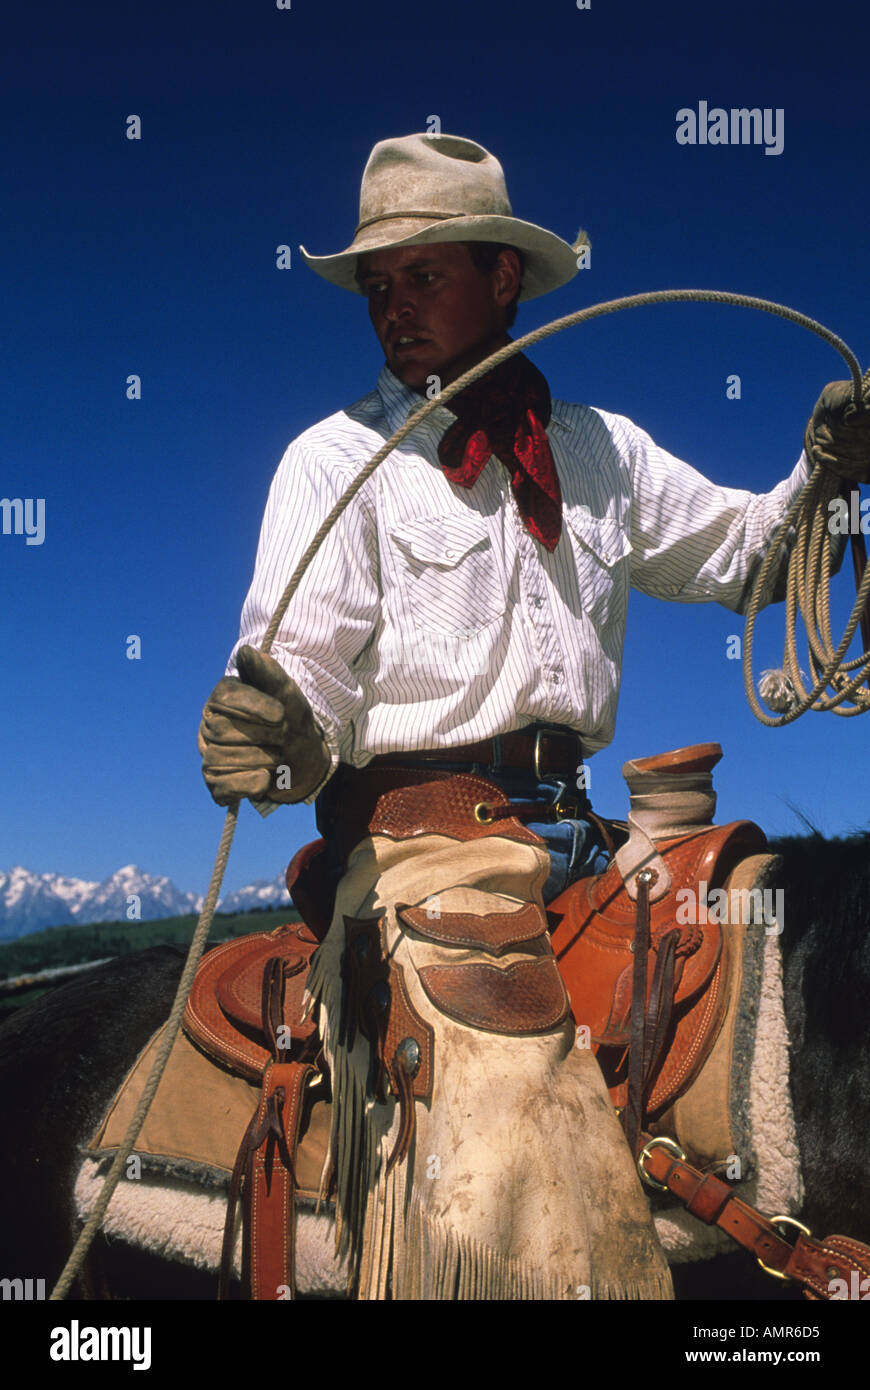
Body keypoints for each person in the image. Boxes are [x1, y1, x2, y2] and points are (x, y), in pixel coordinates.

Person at [197, 133, 869, 1300]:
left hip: (583, 833)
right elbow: (298, 678)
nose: (392, 308)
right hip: (421, 848)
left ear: (504, 278)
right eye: (377, 286)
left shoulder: (601, 451)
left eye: (423, 275)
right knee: (500, 1141)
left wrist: (825, 479)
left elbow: (750, 556)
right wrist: (281, 735)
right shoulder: (334, 461)